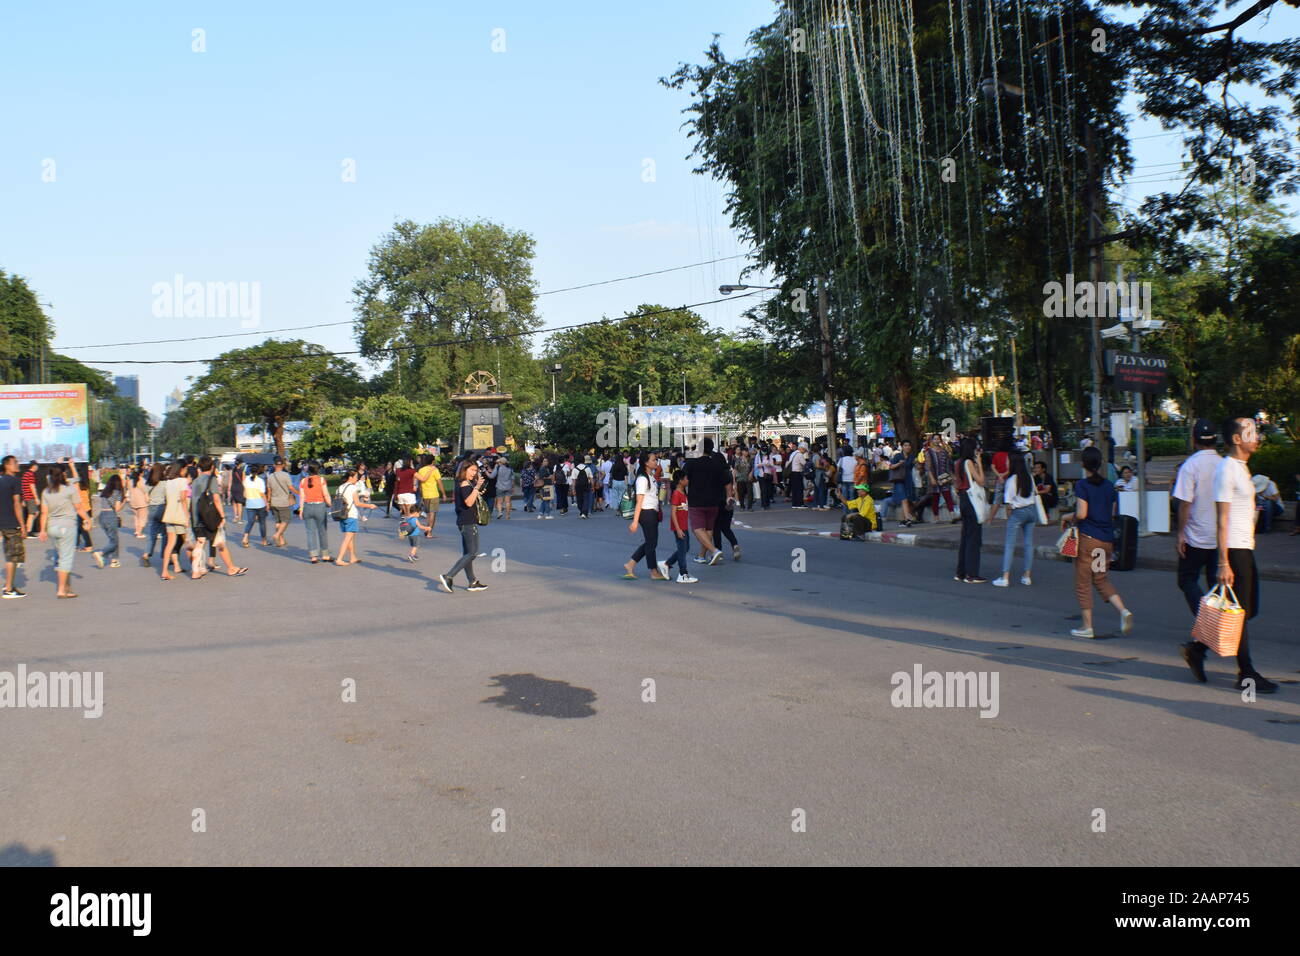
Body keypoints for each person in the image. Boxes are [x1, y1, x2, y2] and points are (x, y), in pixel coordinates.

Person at [1187, 417, 1276, 692]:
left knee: (1245, 611)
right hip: (1234, 550)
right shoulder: (1227, 469)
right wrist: (1223, 562)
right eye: (1250, 432)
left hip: (1244, 547)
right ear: (1237, 439)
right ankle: (1246, 674)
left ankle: (1197, 650)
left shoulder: (1241, 468)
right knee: (1238, 613)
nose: (1256, 437)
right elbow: (1221, 520)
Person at [1061, 446, 1134, 639]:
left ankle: (1087, 626)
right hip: (1106, 541)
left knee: (1083, 583)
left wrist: (1068, 516)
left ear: (1083, 464)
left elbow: (1082, 514)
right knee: (1101, 579)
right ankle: (1123, 610)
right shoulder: (1110, 486)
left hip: (1088, 540)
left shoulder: (1082, 486)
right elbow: (1111, 514)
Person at [1172, 418, 1220, 621]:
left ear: (1194, 439)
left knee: (1186, 579)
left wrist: (1181, 534)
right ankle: (1218, 621)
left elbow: (1185, 503)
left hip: (1196, 536)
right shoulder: (1224, 464)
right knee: (1215, 584)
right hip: (1220, 535)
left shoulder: (1190, 466)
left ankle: (1206, 619)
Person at [39, 462, 91, 597]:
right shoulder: (70, 489)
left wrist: (42, 530)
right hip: (66, 527)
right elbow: (79, 508)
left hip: (52, 528)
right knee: (66, 558)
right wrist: (87, 519)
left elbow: (44, 513)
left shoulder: (46, 491)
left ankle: (67, 587)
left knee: (60, 556)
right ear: (63, 474)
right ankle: (61, 590)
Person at [437, 459, 489, 592]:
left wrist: (477, 488)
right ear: (464, 470)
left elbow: (471, 498)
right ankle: (448, 576)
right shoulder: (465, 483)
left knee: (468, 553)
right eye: (471, 470)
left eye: (475, 470)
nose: (474, 473)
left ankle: (472, 582)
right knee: (472, 553)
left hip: (465, 521)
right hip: (467, 522)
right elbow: (469, 503)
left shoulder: (465, 483)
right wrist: (476, 488)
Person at [190, 455, 246, 578]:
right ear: (211, 466)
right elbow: (216, 499)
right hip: (210, 518)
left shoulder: (195, 481)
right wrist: (222, 516)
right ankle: (231, 568)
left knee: (200, 543)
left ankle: (195, 571)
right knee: (220, 543)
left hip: (196, 517)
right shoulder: (212, 480)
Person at [992, 453, 1037, 587]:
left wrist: (1009, 516)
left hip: (1018, 512)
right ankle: (1027, 576)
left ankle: (1005, 577)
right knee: (1029, 544)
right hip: (1031, 510)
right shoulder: (1029, 477)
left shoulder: (1012, 480)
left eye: (1007, 462)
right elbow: (1035, 493)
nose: (1006, 464)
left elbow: (1008, 502)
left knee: (1010, 544)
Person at [623, 452, 669, 580]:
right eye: (654, 460)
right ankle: (653, 571)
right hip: (646, 512)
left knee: (650, 542)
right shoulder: (642, 479)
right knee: (651, 543)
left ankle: (630, 564)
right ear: (646, 463)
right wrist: (635, 521)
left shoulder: (651, 476)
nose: (656, 462)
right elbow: (639, 501)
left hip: (651, 512)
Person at [685, 437, 728, 566]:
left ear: (699, 448)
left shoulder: (691, 463)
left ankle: (714, 550)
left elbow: (684, 480)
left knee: (697, 529)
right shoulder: (717, 464)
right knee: (709, 529)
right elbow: (726, 481)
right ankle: (701, 555)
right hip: (714, 501)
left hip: (696, 501)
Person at [953, 436, 986, 584]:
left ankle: (961, 572)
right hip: (972, 501)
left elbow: (956, 483)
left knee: (965, 537)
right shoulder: (969, 462)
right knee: (974, 538)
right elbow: (981, 481)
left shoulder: (958, 462)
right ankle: (972, 574)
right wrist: (979, 462)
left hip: (963, 499)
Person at [334, 468, 376, 566]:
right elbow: (357, 503)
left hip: (342, 514)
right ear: (350, 477)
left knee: (350, 537)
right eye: (356, 477)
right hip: (351, 515)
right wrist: (370, 505)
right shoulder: (353, 488)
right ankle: (339, 559)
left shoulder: (340, 487)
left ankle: (352, 557)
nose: (357, 479)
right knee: (348, 538)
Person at [663, 468, 698, 583]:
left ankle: (667, 564)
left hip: (683, 526)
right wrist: (678, 529)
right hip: (679, 527)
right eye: (686, 478)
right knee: (682, 550)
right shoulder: (676, 494)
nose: (688, 480)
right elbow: (673, 513)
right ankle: (683, 574)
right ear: (680, 481)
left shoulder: (683, 493)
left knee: (685, 548)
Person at [160, 462, 192, 581]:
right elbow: (183, 499)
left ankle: (164, 571)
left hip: (169, 515)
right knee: (188, 542)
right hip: (179, 516)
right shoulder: (182, 481)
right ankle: (196, 567)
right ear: (182, 469)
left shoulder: (168, 482)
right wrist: (187, 516)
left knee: (170, 544)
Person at [1, 455, 26, 598]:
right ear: (7, 466)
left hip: (3, 524)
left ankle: (9, 585)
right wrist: (22, 525)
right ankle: (9, 589)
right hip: (12, 524)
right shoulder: (15, 481)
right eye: (15, 463)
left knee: (9, 554)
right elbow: (17, 503)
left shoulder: (1, 481)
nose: (18, 464)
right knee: (13, 557)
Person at [297, 462, 332, 563]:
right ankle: (325, 555)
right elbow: (325, 494)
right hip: (320, 506)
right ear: (318, 469)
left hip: (307, 507)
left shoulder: (303, 481)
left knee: (310, 532)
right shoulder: (321, 480)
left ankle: (313, 556)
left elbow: (302, 496)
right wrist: (330, 503)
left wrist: (301, 510)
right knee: (322, 531)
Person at [91, 473, 125, 569]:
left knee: (113, 539)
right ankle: (101, 553)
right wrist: (123, 502)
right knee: (114, 541)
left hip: (102, 516)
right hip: (110, 516)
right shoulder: (117, 492)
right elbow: (117, 508)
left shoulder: (105, 492)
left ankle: (114, 561)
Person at [925, 435, 959, 522]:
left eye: (938, 439)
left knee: (947, 495)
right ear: (932, 440)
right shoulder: (929, 452)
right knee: (935, 497)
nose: (937, 441)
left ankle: (952, 515)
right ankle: (936, 517)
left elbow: (948, 465)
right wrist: (932, 478)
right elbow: (928, 467)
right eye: (935, 439)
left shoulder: (944, 451)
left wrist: (952, 476)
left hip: (944, 477)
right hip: (934, 477)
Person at [140, 463, 168, 567]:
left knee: (152, 534)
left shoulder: (148, 483)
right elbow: (167, 497)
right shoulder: (164, 483)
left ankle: (146, 554)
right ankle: (165, 555)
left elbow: (146, 498)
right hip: (161, 508)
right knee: (165, 533)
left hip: (151, 509)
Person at [882, 440, 915, 525]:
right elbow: (891, 466)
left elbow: (911, 468)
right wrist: (899, 464)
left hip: (908, 480)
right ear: (902, 447)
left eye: (909, 445)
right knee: (904, 499)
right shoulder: (898, 456)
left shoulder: (911, 456)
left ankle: (904, 520)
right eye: (905, 445)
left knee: (906, 500)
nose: (907, 447)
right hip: (899, 480)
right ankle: (907, 519)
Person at [266, 457, 296, 548]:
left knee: (278, 521)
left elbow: (269, 491)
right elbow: (290, 488)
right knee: (286, 520)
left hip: (274, 502)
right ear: (283, 465)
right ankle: (277, 535)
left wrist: (268, 502)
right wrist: (299, 493)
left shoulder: (270, 476)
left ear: (274, 465)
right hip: (284, 502)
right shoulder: (286, 475)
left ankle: (281, 540)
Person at [241, 464, 268, 548]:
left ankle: (245, 537)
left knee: (250, 522)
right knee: (262, 523)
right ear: (257, 472)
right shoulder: (260, 481)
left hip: (249, 504)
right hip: (260, 504)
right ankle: (263, 541)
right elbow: (262, 494)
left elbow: (244, 494)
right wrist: (267, 503)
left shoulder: (246, 480)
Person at [414, 454, 443, 532]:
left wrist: (421, 493)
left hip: (425, 495)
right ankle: (429, 532)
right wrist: (443, 494)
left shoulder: (421, 470)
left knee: (428, 514)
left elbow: (420, 484)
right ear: (433, 461)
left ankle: (427, 529)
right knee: (432, 513)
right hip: (434, 494)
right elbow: (439, 483)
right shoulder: (435, 470)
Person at [128, 467, 150, 537]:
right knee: (142, 518)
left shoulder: (130, 481)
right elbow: (145, 491)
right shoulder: (142, 480)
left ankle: (137, 531)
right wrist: (148, 499)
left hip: (133, 501)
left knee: (136, 517)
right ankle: (139, 533)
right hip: (142, 502)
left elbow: (129, 490)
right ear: (140, 473)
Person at [21, 461, 40, 537]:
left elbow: (23, 487)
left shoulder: (25, 474)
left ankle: (28, 528)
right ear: (34, 466)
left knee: (34, 513)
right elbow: (32, 487)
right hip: (30, 497)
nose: (37, 468)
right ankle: (28, 530)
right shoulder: (30, 474)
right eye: (37, 466)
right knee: (32, 514)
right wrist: (36, 498)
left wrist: (23, 498)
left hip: (26, 497)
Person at [788, 442, 807, 509]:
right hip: (797, 473)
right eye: (805, 450)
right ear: (802, 448)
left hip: (792, 473)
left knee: (794, 489)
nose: (805, 452)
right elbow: (804, 464)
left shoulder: (793, 453)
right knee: (799, 489)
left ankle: (794, 504)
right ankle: (800, 504)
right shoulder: (799, 454)